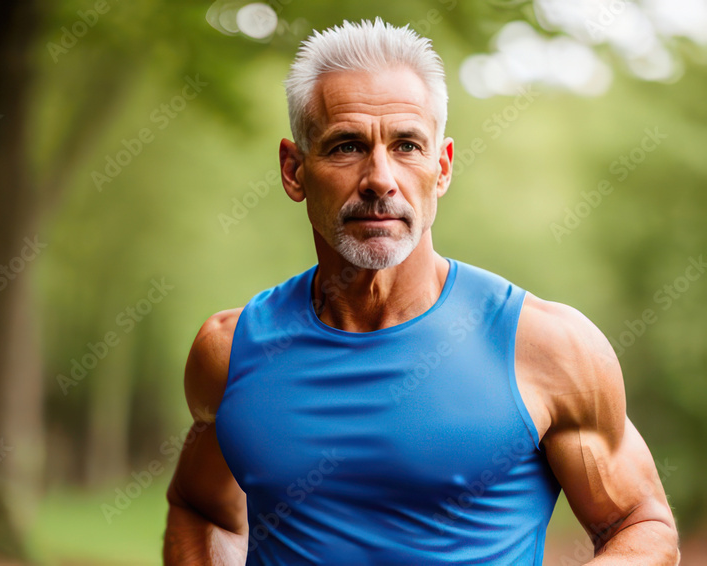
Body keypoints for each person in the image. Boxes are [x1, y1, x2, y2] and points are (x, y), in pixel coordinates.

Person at [162, 17, 680, 566]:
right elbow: (201, 508)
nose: (380, 178)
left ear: (442, 168)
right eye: (346, 146)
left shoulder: (548, 347)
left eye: (407, 145)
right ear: (294, 170)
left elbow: (641, 524)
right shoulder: (228, 351)